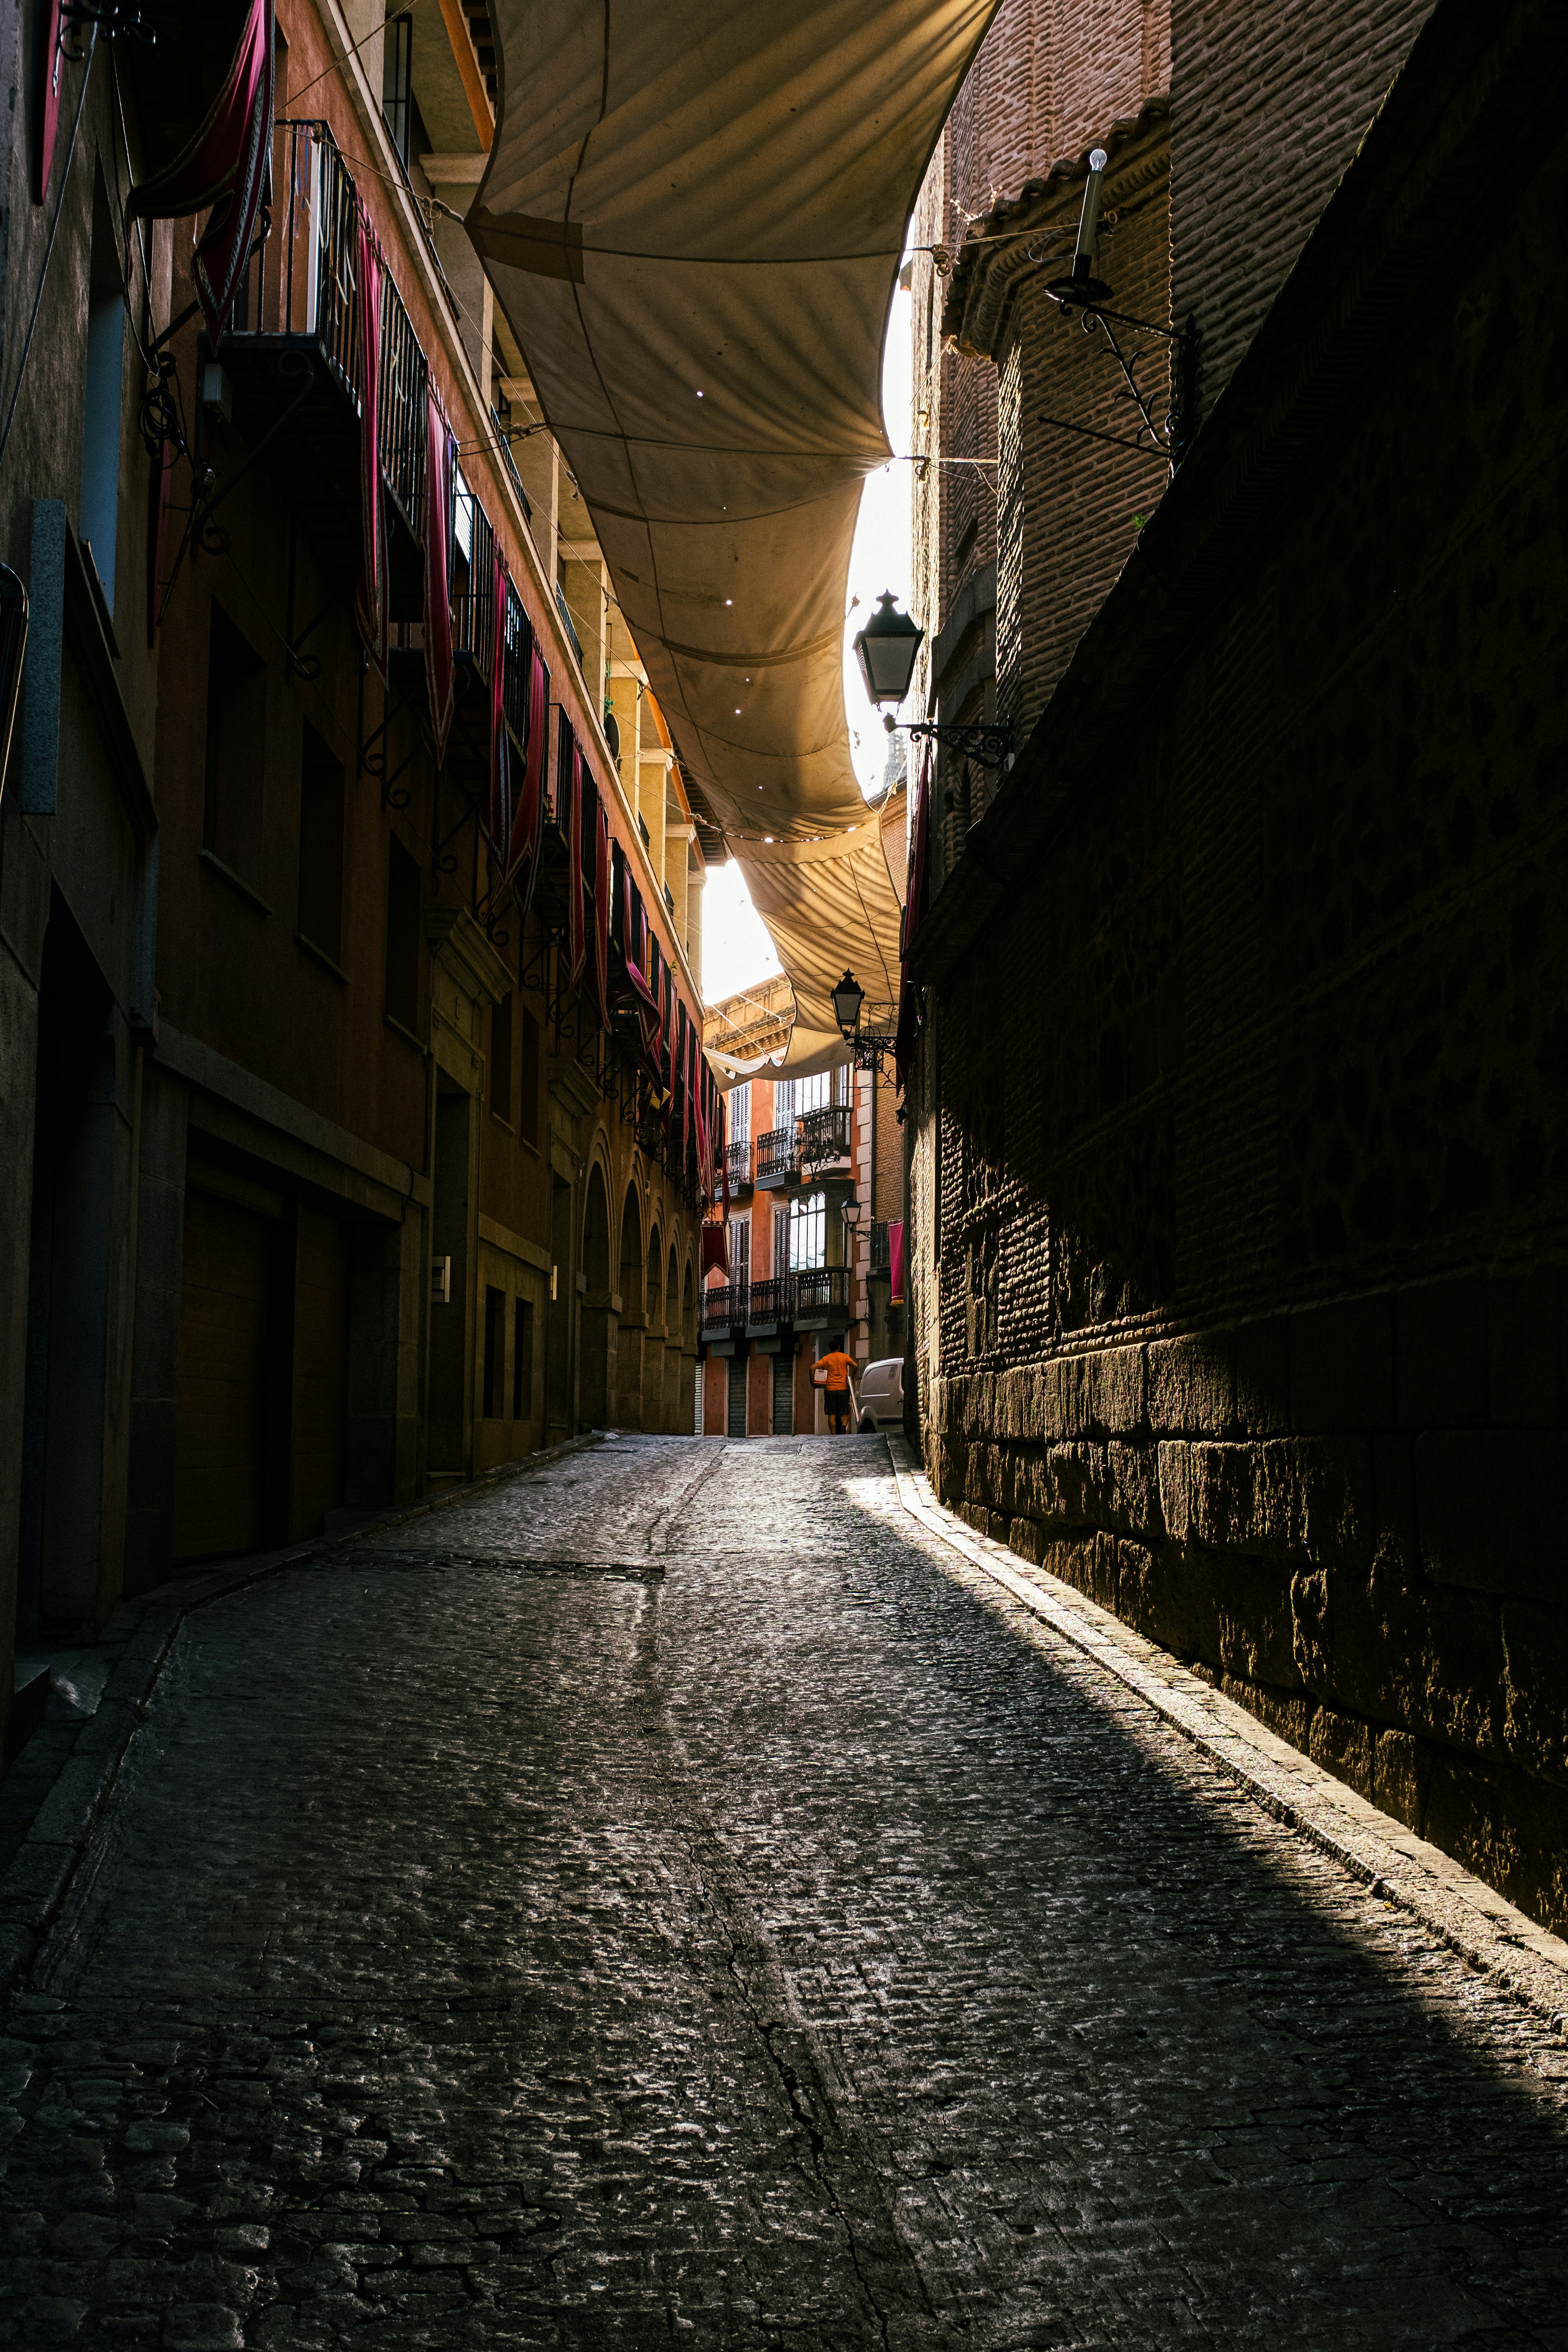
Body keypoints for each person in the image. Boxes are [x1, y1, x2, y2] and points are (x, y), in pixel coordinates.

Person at [815, 1336, 859, 1435]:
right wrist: (851, 1377)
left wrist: (813, 1382)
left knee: (832, 1414)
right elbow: (855, 1366)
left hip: (830, 1390)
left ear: (830, 1348)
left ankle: (834, 1435)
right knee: (844, 1411)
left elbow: (813, 1368)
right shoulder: (844, 1357)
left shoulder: (826, 1359)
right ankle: (844, 1426)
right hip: (843, 1389)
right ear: (839, 1347)